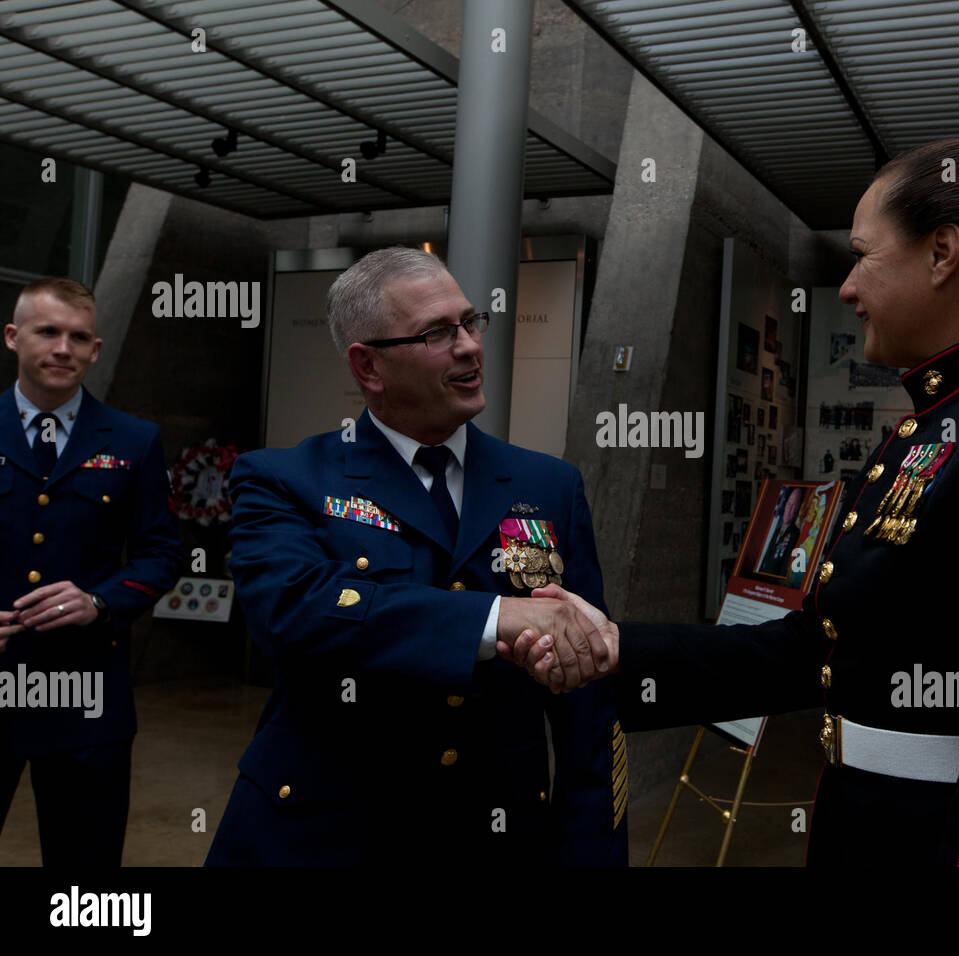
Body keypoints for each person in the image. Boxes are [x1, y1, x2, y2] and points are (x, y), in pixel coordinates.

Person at [507, 139, 959, 868]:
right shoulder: (940, 425)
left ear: (942, 253)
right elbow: (818, 650)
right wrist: (623, 654)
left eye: (864, 254)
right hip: (866, 823)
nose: (845, 287)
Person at [205, 247, 626, 867]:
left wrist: (592, 849)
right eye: (436, 333)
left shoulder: (549, 487)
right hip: (326, 836)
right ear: (368, 366)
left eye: (470, 322)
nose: (469, 347)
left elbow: (587, 694)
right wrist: (496, 618)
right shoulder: (284, 479)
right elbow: (293, 614)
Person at [0, 278, 181, 866]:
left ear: (96, 350)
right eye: (47, 332)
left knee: (85, 875)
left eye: (79, 337)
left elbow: (162, 553)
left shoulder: (133, 440)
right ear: (13, 337)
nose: (63, 348)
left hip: (85, 700)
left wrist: (100, 602)